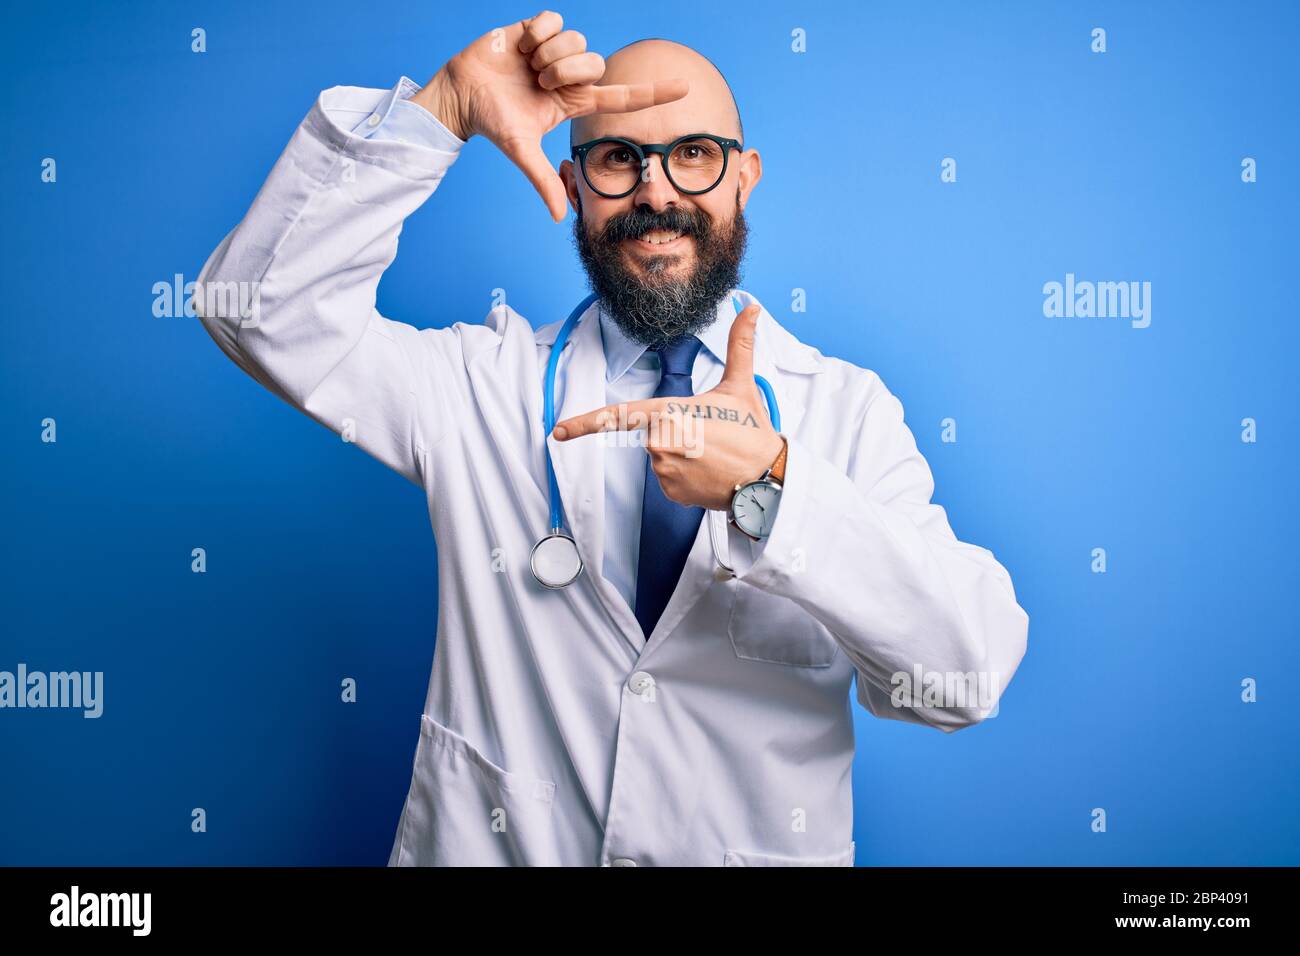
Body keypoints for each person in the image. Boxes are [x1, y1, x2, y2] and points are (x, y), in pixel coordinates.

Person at [193, 9, 1029, 867]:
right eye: (618, 158)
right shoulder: (483, 384)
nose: (657, 192)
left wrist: (773, 489)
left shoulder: (845, 411)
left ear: (745, 178)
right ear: (576, 182)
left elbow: (966, 673)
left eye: (693, 155)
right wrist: (441, 108)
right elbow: (256, 313)